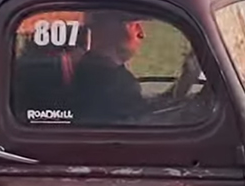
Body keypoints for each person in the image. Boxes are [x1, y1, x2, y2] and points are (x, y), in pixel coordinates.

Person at [70, 10, 203, 125]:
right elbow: (149, 124)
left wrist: (186, 78)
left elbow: (148, 109)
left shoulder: (96, 71)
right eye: (133, 25)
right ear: (108, 28)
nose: (141, 34)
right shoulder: (109, 82)